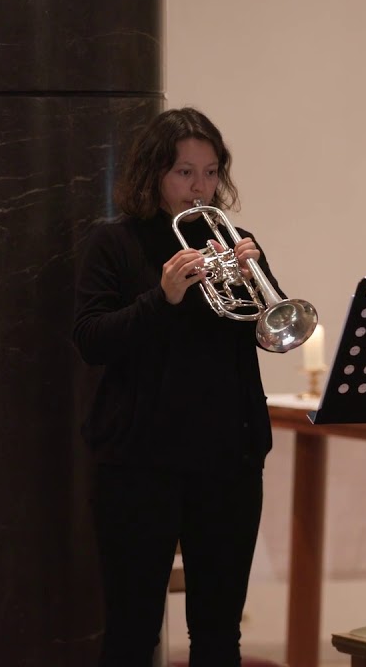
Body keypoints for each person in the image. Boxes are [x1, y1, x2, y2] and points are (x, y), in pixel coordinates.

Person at [73, 107, 284, 666]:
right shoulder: (114, 244)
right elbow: (91, 339)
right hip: (138, 463)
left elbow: (273, 329)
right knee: (132, 632)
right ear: (154, 175)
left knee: (219, 634)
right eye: (184, 173)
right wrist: (161, 298)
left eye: (211, 172)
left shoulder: (234, 240)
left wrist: (254, 281)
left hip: (227, 460)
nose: (200, 187)